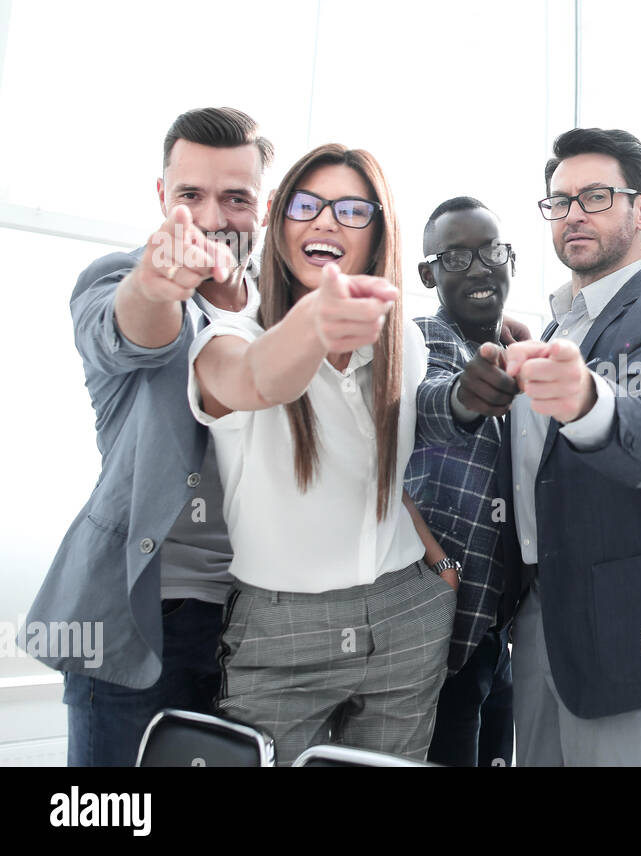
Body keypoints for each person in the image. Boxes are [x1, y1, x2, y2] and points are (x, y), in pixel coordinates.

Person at [454, 127, 641, 766]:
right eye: (559, 201)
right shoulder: (562, 323)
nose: (573, 214)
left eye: (595, 196)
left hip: (626, 631)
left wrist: (588, 400)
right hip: (539, 618)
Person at [188, 143, 457, 764]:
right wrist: (313, 325)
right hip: (282, 631)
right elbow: (256, 378)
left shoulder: (405, 344)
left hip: (406, 613)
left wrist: (438, 573)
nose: (326, 221)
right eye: (305, 205)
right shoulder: (232, 336)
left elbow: (381, 477)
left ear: (378, 235)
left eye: (351, 210)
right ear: (279, 224)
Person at [27, 108, 271, 766]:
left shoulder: (288, 315)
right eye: (191, 194)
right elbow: (132, 331)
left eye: (236, 197)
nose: (213, 215)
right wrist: (154, 284)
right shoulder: (118, 278)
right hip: (140, 620)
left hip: (259, 630)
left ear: (265, 206)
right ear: (163, 198)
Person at [408, 196, 517, 767]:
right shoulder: (418, 340)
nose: (477, 268)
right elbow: (432, 399)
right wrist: (464, 396)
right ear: (428, 273)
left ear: (511, 260)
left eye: (490, 251)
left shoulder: (527, 350)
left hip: (504, 626)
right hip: (441, 625)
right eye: (454, 258)